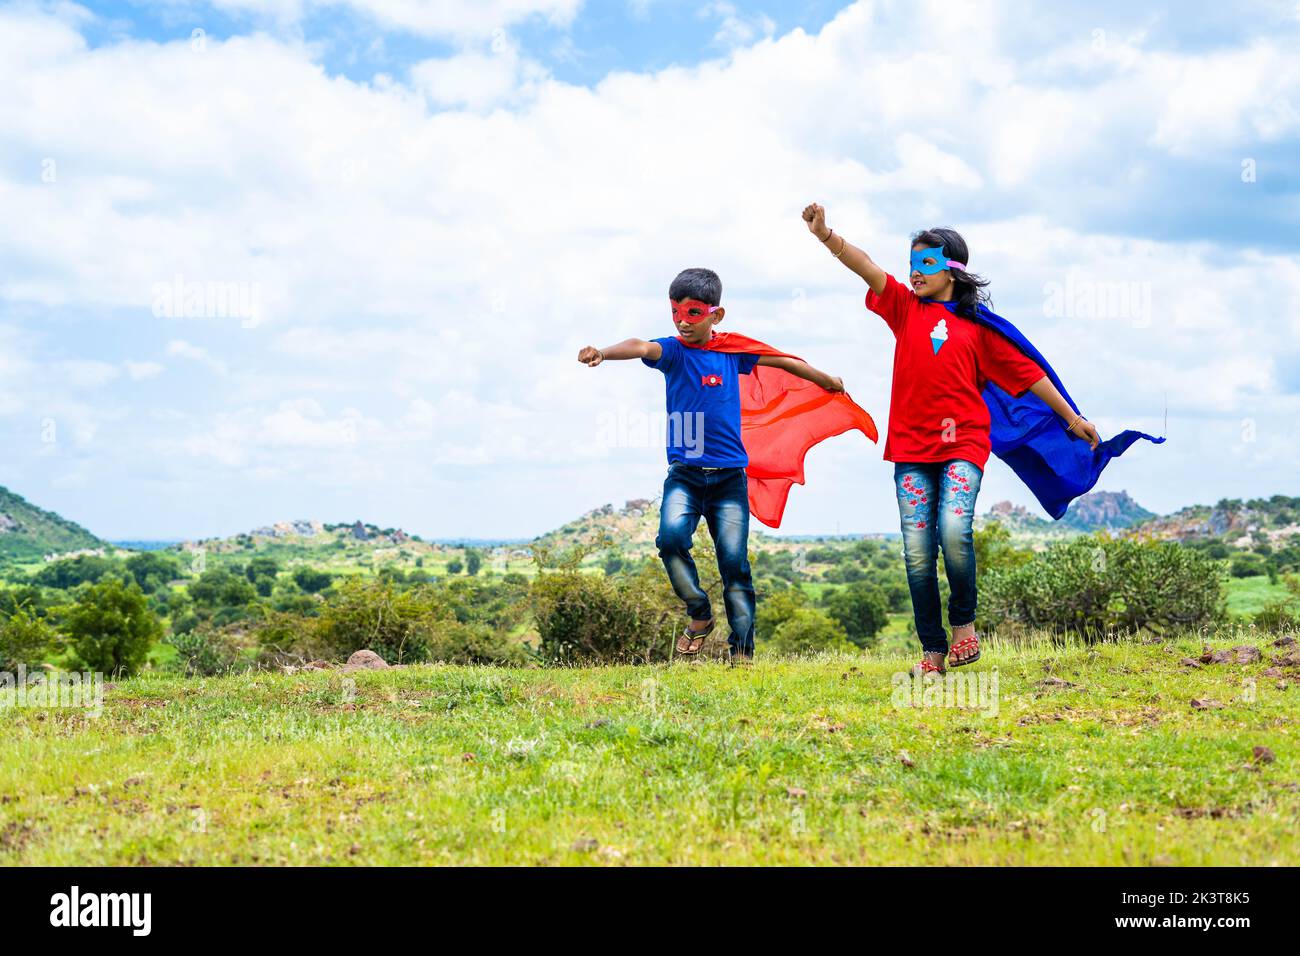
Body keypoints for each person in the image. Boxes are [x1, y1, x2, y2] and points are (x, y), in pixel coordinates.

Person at [800, 202, 1120, 677]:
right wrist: (827, 235)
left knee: (952, 531)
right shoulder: (904, 309)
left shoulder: (979, 329)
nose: (914, 274)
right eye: (912, 265)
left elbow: (1030, 376)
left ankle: (964, 625)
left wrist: (1072, 419)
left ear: (952, 270)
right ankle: (932, 650)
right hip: (909, 448)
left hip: (962, 444)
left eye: (926, 264)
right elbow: (867, 268)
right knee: (916, 550)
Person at [578, 267, 854, 664]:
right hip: (684, 478)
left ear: (715, 315)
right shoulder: (673, 353)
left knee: (734, 566)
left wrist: (827, 379)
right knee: (670, 541)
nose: (682, 322)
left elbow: (786, 363)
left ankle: (742, 652)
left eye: (693, 313)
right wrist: (603, 352)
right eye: (675, 312)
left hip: (729, 481)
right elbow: (641, 345)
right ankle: (699, 613)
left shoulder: (733, 352)